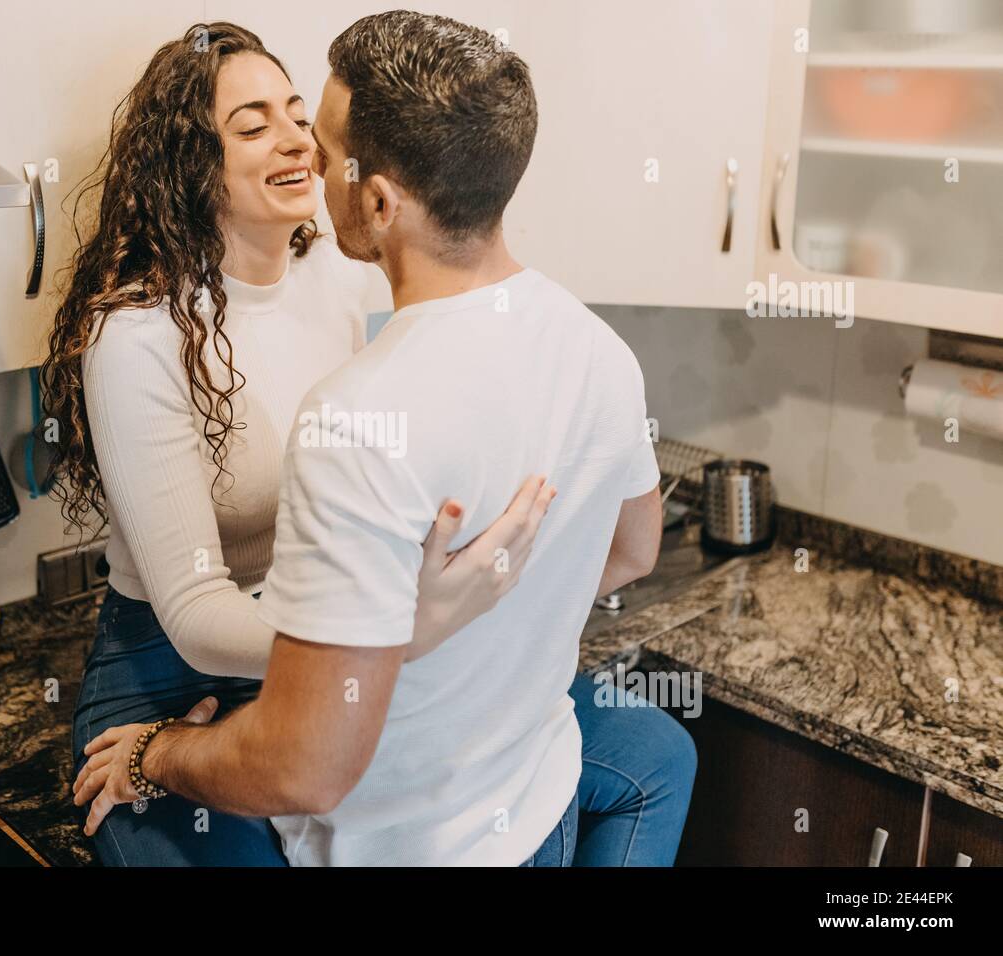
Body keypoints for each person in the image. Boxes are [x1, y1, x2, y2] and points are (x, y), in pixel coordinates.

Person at [74, 11, 693, 867]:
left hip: (355, 615)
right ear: (189, 162)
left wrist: (408, 621)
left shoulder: (336, 273)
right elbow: (194, 615)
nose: (302, 146)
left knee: (656, 753)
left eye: (301, 117)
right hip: (177, 662)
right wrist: (407, 625)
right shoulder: (138, 336)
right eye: (254, 126)